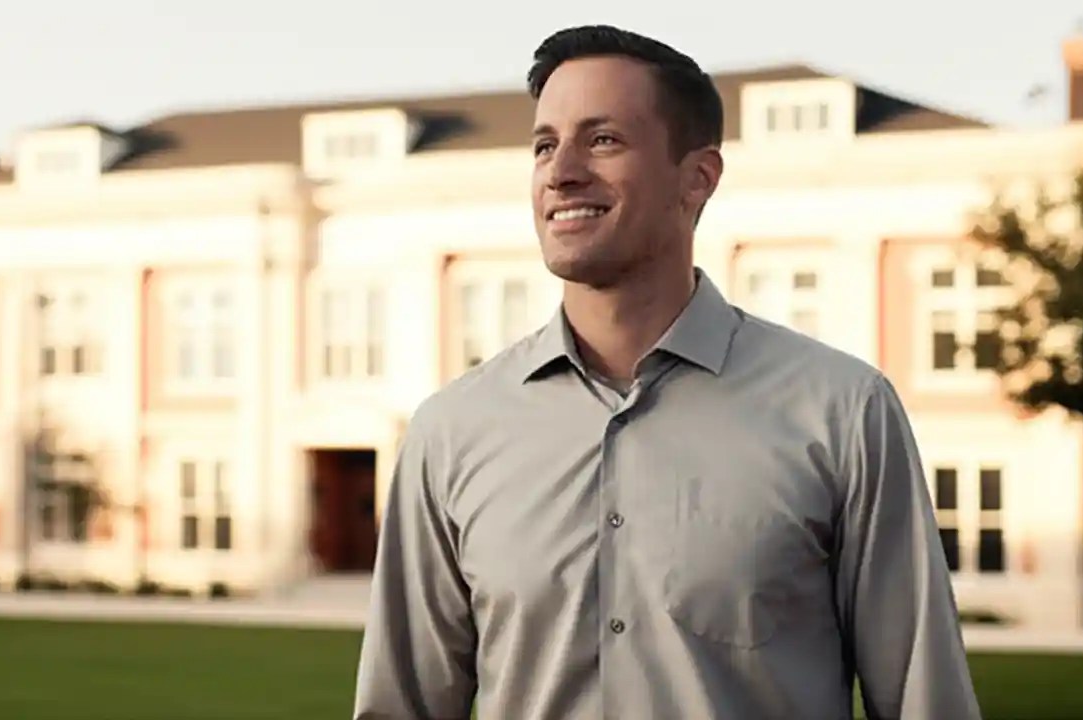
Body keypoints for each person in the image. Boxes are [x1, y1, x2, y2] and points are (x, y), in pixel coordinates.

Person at [353, 24, 982, 720]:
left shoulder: (842, 412)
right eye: (543, 145)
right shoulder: (450, 433)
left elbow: (928, 701)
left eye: (602, 140)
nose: (561, 170)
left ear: (698, 179)